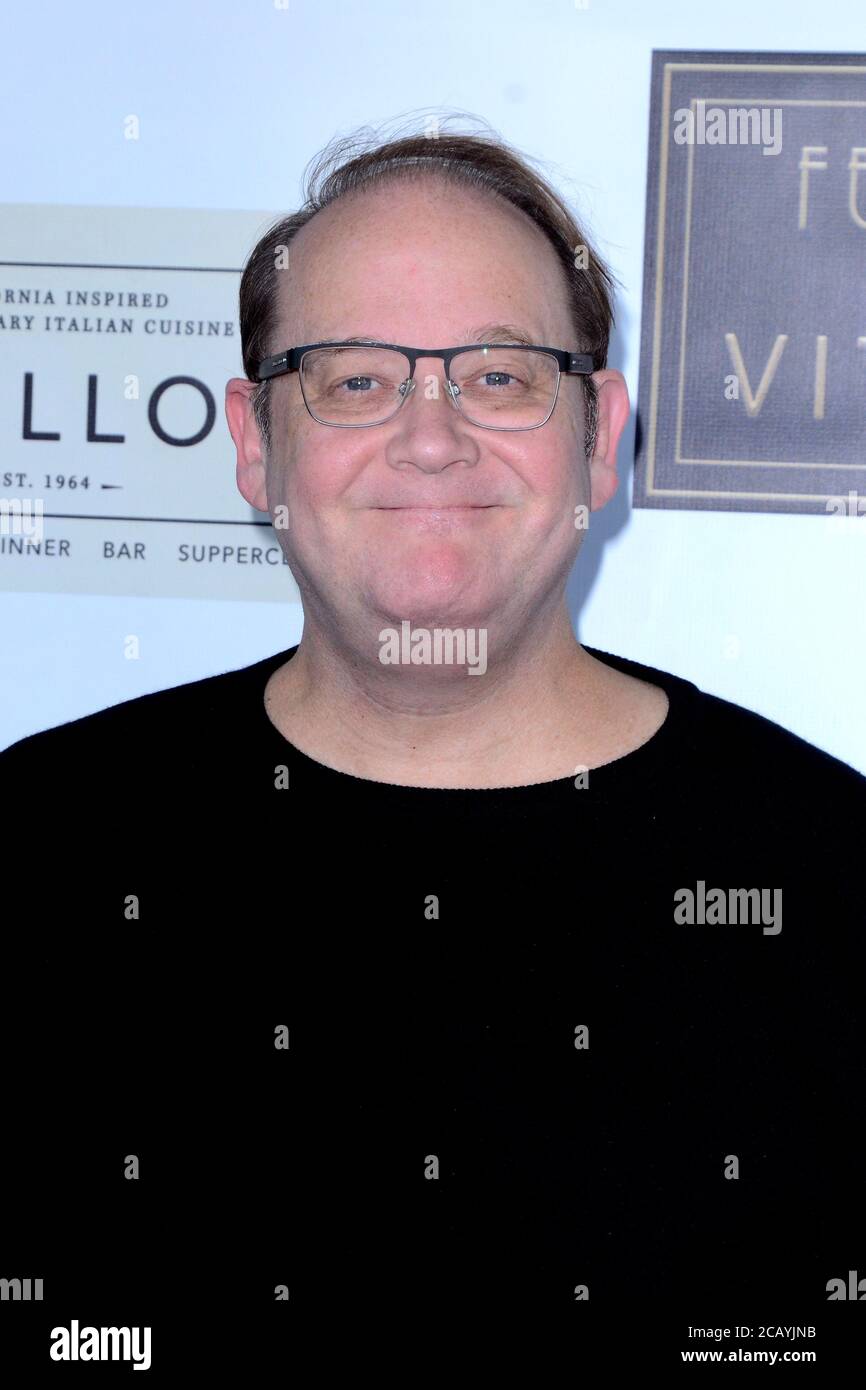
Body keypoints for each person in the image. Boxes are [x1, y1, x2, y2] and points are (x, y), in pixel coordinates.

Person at [2, 123, 864, 1357]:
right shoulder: (40, 846)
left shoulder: (829, 875)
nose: (428, 433)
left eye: (500, 376)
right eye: (353, 378)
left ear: (597, 432)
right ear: (255, 443)